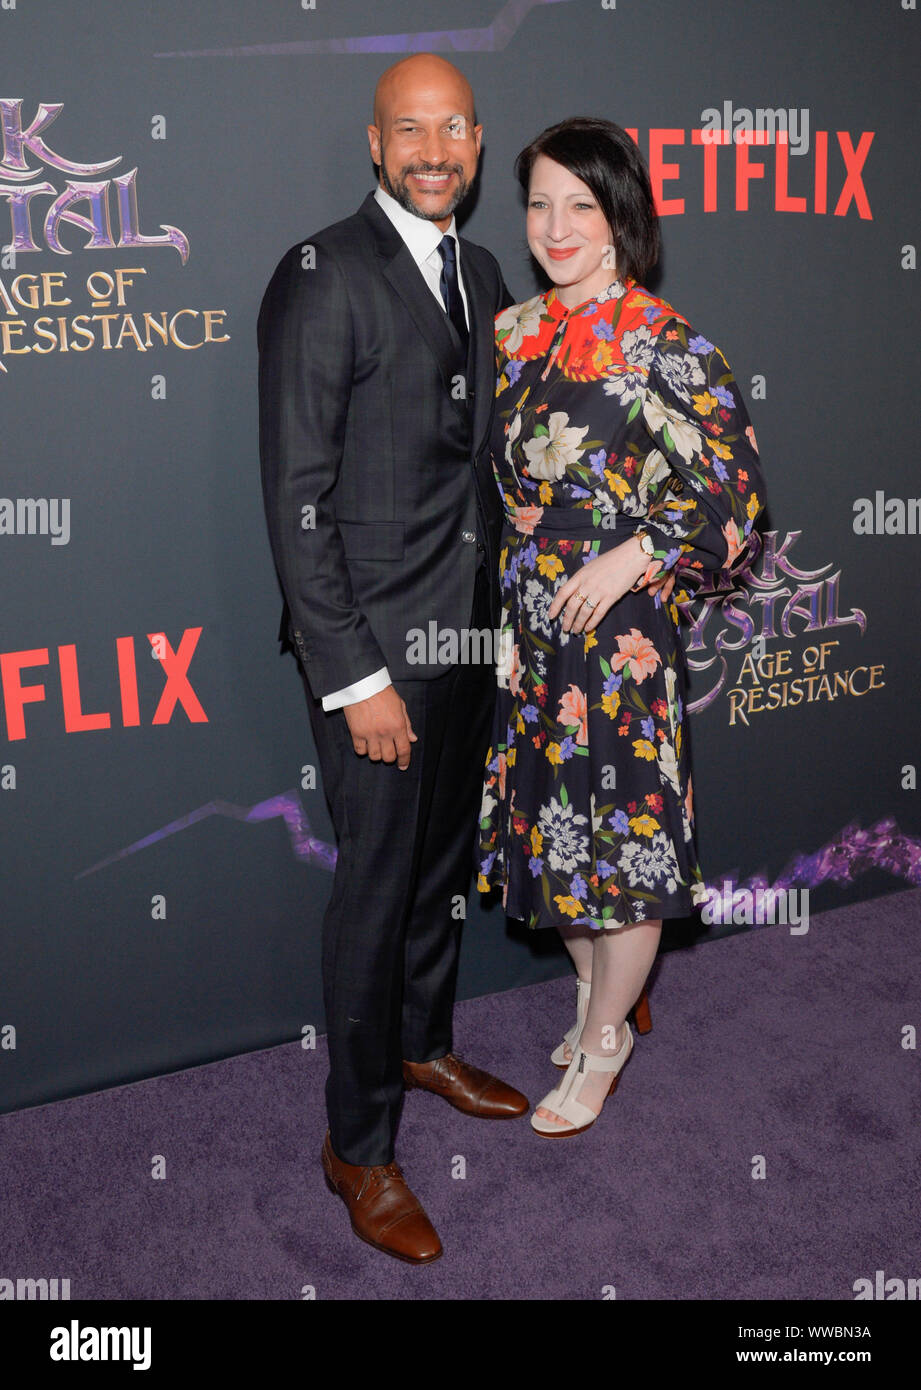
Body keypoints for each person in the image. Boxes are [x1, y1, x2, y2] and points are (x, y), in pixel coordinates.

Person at [258, 54, 527, 1265]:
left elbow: (481, 472)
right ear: (375, 146)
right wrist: (354, 675)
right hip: (376, 654)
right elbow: (297, 497)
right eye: (407, 130)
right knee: (374, 890)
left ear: (477, 142)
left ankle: (422, 1044)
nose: (432, 148)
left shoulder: (479, 269)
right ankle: (357, 1147)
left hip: (468, 635)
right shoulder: (322, 275)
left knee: (437, 870)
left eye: (452, 127)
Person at [476, 117, 766, 1137]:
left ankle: (608, 1038)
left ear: (619, 218)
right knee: (558, 835)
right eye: (540, 203)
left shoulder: (662, 339)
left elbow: (736, 501)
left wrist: (637, 550)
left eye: (581, 206)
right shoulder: (514, 332)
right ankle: (596, 1001)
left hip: (620, 627)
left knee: (623, 839)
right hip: (533, 616)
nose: (556, 227)